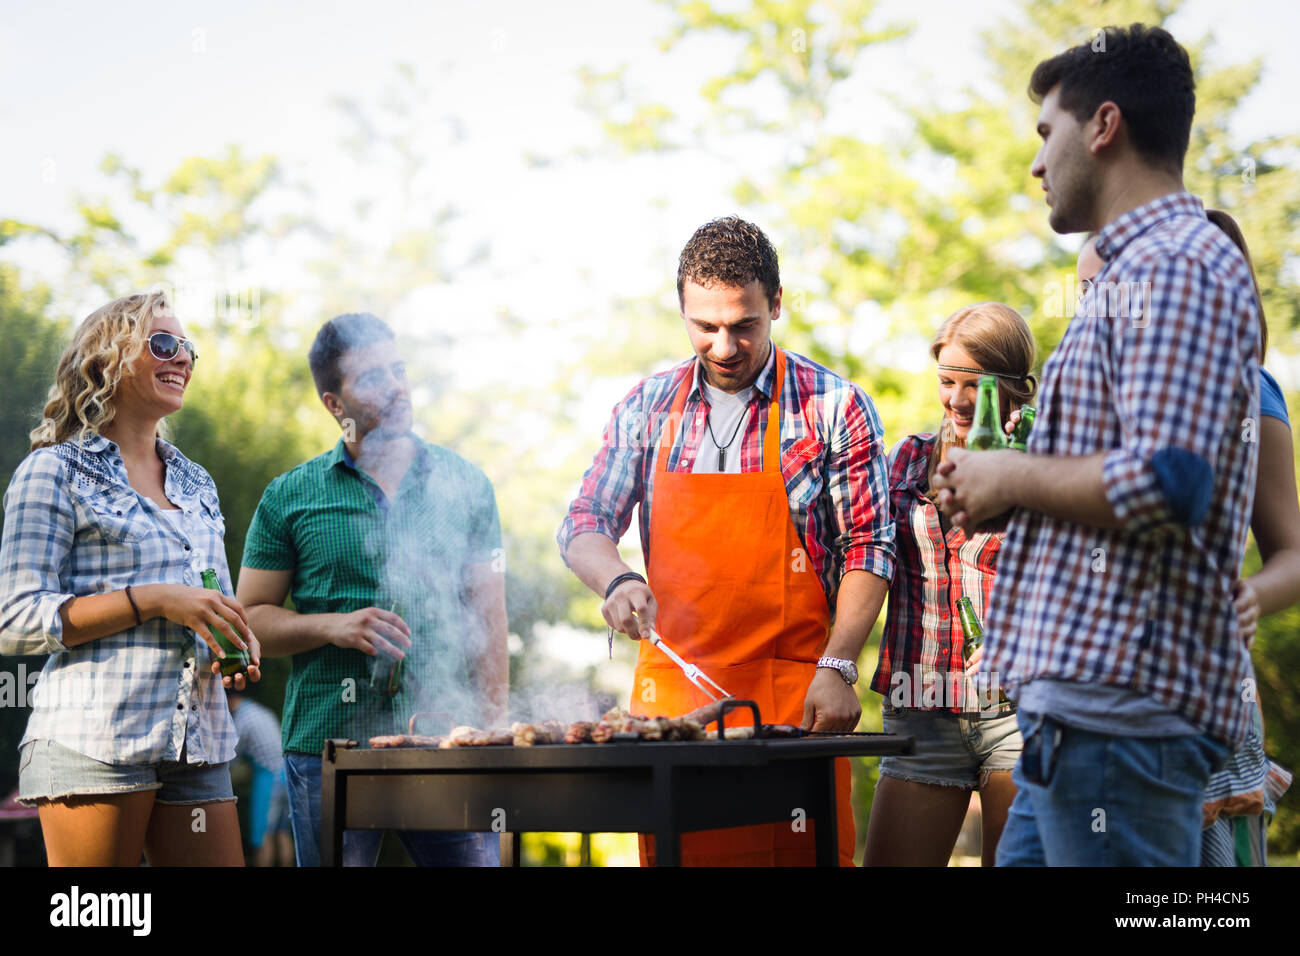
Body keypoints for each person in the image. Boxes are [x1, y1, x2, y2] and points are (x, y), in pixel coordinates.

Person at [933, 24, 1261, 865]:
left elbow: (1168, 481)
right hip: (1073, 724)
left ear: (1104, 126)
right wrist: (1002, 492)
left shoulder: (1172, 268)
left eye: (1048, 133)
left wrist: (1007, 472)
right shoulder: (1126, 278)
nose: (1037, 164)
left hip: (1123, 722)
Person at [558, 216, 895, 866]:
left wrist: (840, 665)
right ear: (683, 310)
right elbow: (585, 523)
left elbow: (869, 549)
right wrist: (619, 579)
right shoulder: (647, 408)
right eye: (704, 326)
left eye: (744, 325)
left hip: (793, 702)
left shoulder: (833, 407)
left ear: (776, 304)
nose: (723, 345)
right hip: (675, 713)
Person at [236, 312, 507, 867]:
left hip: (445, 742)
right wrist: (333, 625)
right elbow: (249, 621)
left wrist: (494, 735)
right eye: (373, 377)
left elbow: (491, 619)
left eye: (398, 369)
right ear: (335, 404)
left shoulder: (468, 485)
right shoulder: (290, 496)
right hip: (326, 749)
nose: (396, 387)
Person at [0, 290, 261, 866]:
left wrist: (232, 637)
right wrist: (154, 599)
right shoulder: (52, 471)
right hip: (94, 740)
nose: (183, 358)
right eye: (163, 343)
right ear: (104, 361)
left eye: (188, 347)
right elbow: (15, 621)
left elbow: (210, 597)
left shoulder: (197, 483)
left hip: (199, 743)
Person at [864, 302, 1036, 867]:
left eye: (976, 384)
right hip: (924, 707)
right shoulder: (908, 462)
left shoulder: (1045, 464)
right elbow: (864, 558)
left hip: (1019, 710)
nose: (958, 399)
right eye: (947, 380)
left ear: (1015, 386)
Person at [227, 689, 294, 866]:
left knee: (262, 837)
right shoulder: (262, 711)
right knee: (282, 833)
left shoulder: (241, 718)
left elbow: (231, 758)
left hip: (268, 778)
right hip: (287, 775)